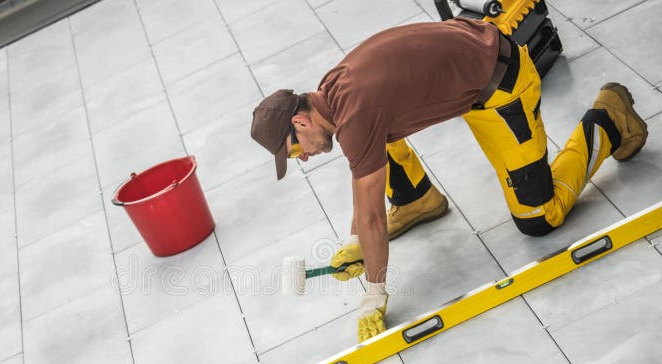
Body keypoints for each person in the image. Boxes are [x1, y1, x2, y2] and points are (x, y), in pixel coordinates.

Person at [250, 17, 648, 343]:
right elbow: (362, 181)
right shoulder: (331, 91)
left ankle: (610, 119)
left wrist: (374, 295)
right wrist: (357, 244)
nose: (302, 158)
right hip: (473, 59)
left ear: (300, 121)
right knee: (368, 150)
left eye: (295, 150)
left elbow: (370, 215)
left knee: (540, 217)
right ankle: (416, 200)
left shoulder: (354, 116)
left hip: (502, 86)